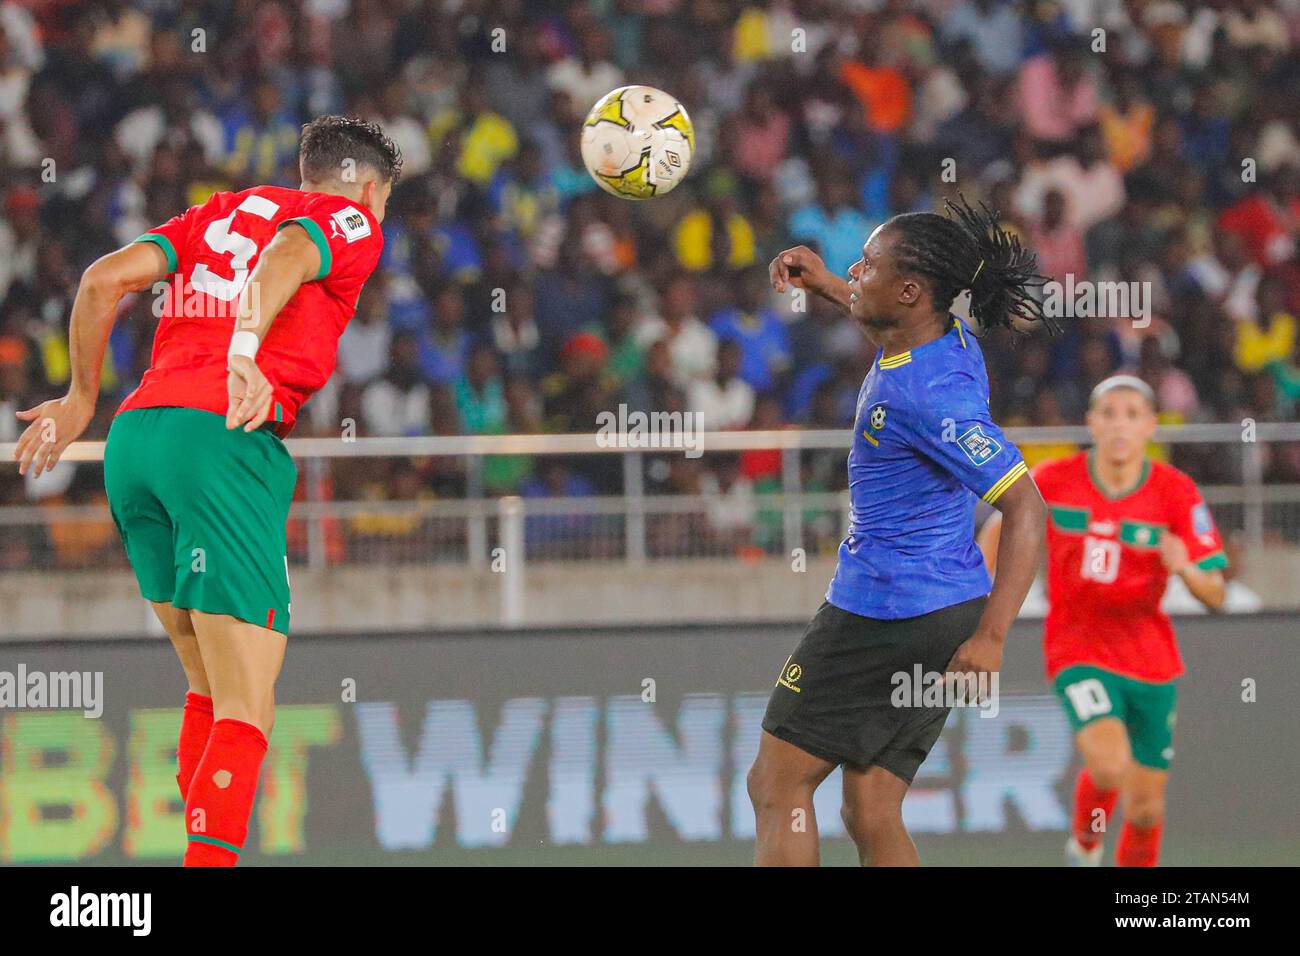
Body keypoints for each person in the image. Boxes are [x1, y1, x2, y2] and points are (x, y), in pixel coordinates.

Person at [12, 115, 401, 866]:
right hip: (221, 442)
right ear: (369, 185)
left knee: (208, 688)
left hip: (135, 441)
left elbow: (101, 282)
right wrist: (246, 350)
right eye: (382, 198)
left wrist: (79, 398)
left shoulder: (220, 211)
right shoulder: (346, 218)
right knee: (250, 706)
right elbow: (288, 256)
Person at [749, 196, 1050, 866]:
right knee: (871, 806)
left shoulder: (927, 399)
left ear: (910, 291)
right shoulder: (948, 338)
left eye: (869, 263)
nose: (857, 269)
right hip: (944, 611)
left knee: (776, 783)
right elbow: (883, 321)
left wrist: (996, 638)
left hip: (884, 611)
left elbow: (1027, 507)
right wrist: (828, 282)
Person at [978, 376, 1226, 867]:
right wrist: (977, 604)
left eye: (1132, 415)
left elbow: (1215, 591)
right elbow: (998, 528)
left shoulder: (1175, 491)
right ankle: (1085, 847)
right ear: (1090, 422)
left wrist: (1188, 569)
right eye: (1109, 413)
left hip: (1151, 657)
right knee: (1110, 766)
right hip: (1078, 646)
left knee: (1146, 808)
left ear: (1151, 426)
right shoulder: (1052, 479)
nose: (1119, 425)